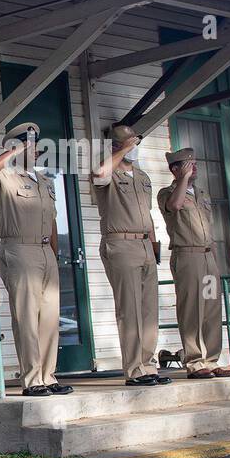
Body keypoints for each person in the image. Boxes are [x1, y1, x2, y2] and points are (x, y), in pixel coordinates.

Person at [0, 122, 73, 396]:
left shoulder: (44, 180)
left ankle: (48, 375)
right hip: (19, 249)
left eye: (35, 143)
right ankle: (32, 380)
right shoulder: (5, 176)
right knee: (27, 317)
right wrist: (12, 152)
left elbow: (52, 222)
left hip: (45, 252)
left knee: (50, 318)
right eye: (27, 143)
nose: (35, 148)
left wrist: (53, 254)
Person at [91, 124, 170, 386]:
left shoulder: (142, 176)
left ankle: (148, 365)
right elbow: (99, 173)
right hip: (120, 243)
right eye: (128, 144)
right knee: (130, 309)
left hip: (145, 244)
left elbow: (147, 214)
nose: (133, 148)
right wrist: (122, 149)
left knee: (149, 310)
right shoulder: (108, 171)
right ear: (116, 146)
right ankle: (134, 369)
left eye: (135, 144)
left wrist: (154, 244)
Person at [157, 147, 230, 378]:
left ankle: (211, 358)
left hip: (208, 257)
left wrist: (216, 260)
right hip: (187, 257)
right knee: (192, 309)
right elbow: (175, 206)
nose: (194, 167)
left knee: (211, 307)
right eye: (188, 164)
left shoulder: (202, 194)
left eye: (194, 163)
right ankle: (195, 361)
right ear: (175, 169)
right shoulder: (167, 193)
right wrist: (184, 179)